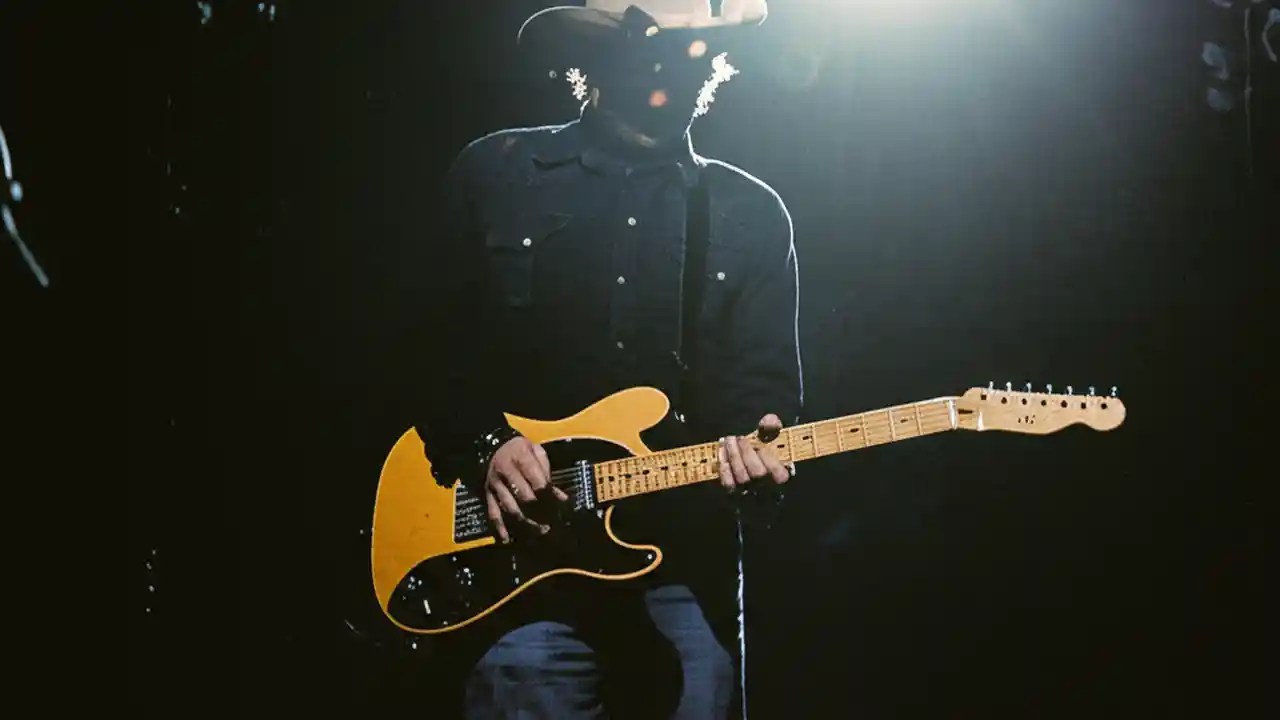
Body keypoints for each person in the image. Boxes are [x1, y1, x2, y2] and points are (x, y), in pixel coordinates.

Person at [411, 1, 802, 717]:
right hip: (522, 573)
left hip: (686, 572)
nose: (668, 72)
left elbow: (764, 395)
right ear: (592, 61)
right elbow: (426, 351)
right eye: (645, 52)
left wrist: (761, 457)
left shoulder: (751, 212)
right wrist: (487, 446)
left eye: (690, 54)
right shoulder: (497, 172)